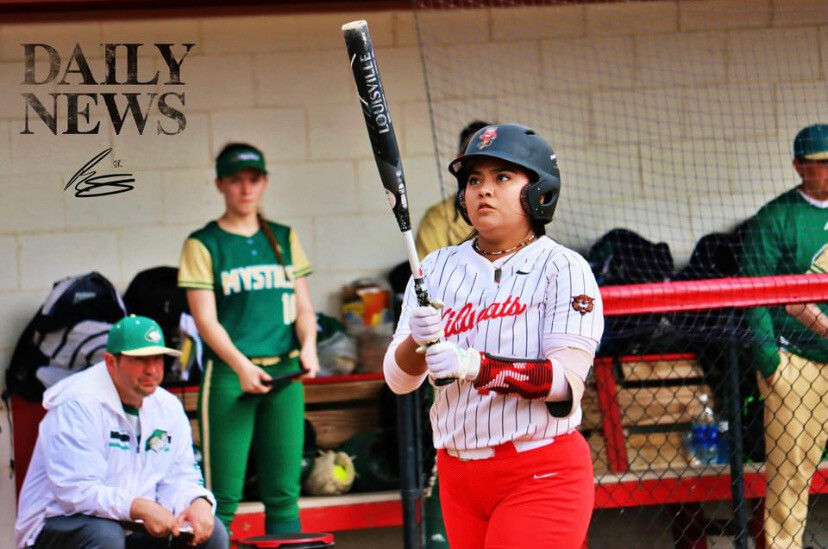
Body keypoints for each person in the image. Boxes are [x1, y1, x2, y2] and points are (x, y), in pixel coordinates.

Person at [384, 123, 604, 548]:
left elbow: (565, 385)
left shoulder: (563, 268)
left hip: (539, 470)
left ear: (538, 191)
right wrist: (416, 338)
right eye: (473, 179)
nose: (484, 189)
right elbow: (399, 380)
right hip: (458, 477)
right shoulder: (436, 268)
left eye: (502, 177)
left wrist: (473, 365)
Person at [178, 143, 320, 535]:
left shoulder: (283, 237)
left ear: (265, 183)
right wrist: (242, 366)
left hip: (285, 372)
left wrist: (308, 347)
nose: (245, 189)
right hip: (230, 375)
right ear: (220, 184)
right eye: (235, 180)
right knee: (221, 497)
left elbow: (304, 308)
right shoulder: (203, 243)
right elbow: (206, 321)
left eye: (253, 180)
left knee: (284, 493)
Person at [15, 315, 228, 549]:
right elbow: (76, 492)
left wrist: (198, 501)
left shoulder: (168, 406)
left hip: (130, 526)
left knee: (212, 531)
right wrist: (138, 507)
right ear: (110, 362)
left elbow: (180, 476)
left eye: (158, 359)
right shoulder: (78, 404)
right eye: (140, 360)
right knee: (104, 534)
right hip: (55, 528)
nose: (152, 370)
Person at [742, 123, 828, 549]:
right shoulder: (775, 218)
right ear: (799, 167)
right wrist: (770, 362)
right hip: (798, 361)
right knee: (791, 472)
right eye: (821, 163)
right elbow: (750, 294)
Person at [414, 120, 491, 259]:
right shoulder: (438, 218)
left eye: (502, 177)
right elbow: (428, 276)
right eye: (475, 179)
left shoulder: (516, 214)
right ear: (459, 160)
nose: (482, 162)